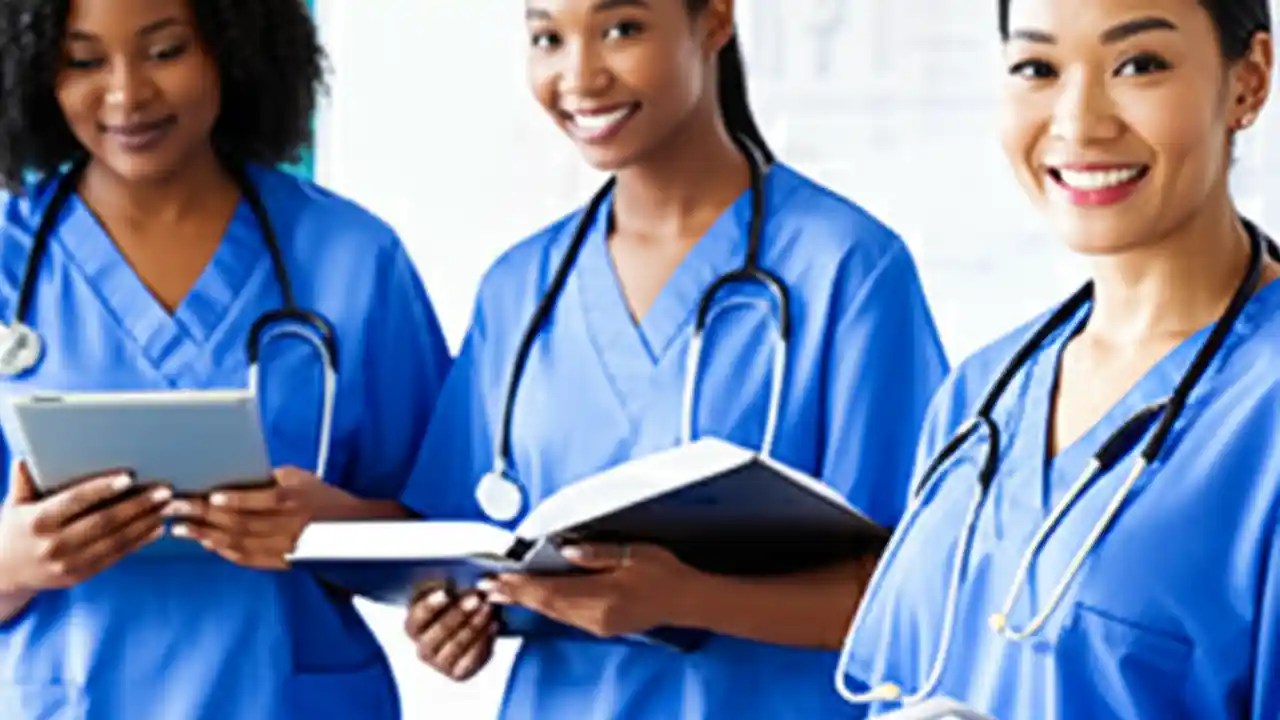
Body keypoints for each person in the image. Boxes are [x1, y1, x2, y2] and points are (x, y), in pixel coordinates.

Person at [398, 0, 949, 717]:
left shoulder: (845, 266)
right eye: (548, 38)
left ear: (714, 20)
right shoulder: (521, 288)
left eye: (621, 29)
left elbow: (917, 599)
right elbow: (466, 547)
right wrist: (454, 625)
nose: (580, 75)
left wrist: (689, 599)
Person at [0, 0, 450, 717]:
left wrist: (329, 529)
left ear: (233, 47)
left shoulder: (351, 259)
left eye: (166, 50)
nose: (126, 95)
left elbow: (453, 549)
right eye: (83, 61)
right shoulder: (7, 262)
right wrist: (11, 565)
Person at [835, 0, 1280, 717]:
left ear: (1248, 81)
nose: (1079, 122)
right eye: (1037, 68)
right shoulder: (978, 397)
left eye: (1139, 65)